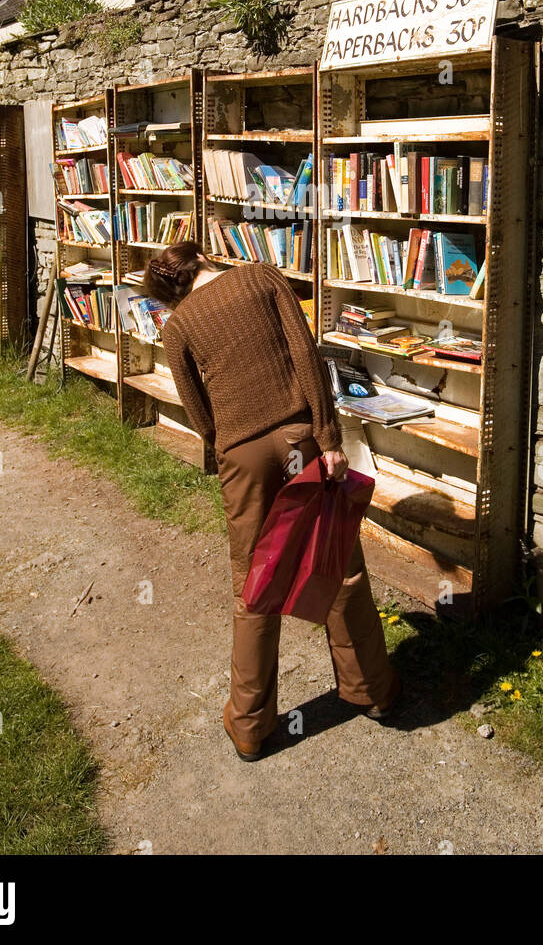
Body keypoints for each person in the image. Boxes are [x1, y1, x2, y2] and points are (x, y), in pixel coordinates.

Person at [144, 241, 400, 761]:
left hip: (242, 453)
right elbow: (307, 356)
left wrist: (225, 450)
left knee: (255, 583)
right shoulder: (262, 277)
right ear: (204, 259)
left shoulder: (178, 326)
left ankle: (250, 727)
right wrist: (327, 440)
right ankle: (371, 690)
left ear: (171, 291)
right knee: (339, 561)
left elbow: (196, 406)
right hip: (298, 441)